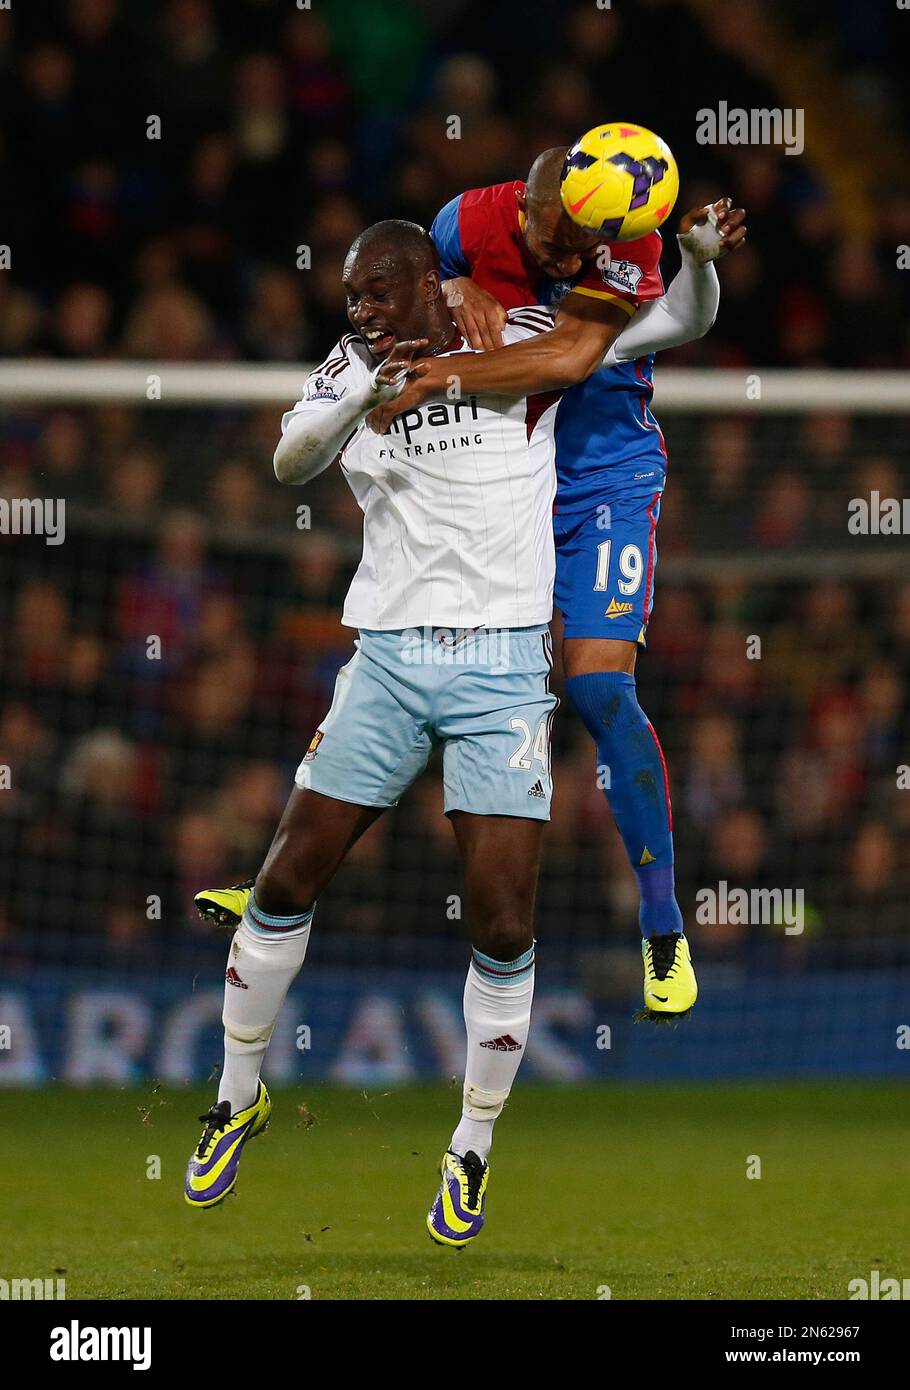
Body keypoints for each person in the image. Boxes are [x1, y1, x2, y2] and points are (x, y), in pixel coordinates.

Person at [185, 219, 566, 1247]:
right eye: (351, 295)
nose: (358, 308)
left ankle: (471, 1149)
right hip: (389, 659)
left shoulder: (517, 332)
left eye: (376, 291)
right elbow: (288, 460)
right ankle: (236, 1098)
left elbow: (661, 324)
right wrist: (360, 380)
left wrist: (698, 268)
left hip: (501, 664)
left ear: (432, 284)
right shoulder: (348, 366)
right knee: (284, 877)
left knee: (499, 918)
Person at [368, 147, 747, 1019]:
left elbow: (661, 331)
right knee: (409, 652)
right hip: (499, 480)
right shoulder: (468, 221)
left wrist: (694, 260)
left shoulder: (626, 249)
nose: (566, 255)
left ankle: (661, 927)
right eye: (551, 236)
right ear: (531, 207)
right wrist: (446, 284)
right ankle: (290, 874)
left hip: (601, 481)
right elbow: (408, 266)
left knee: (599, 687)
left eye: (586, 246)